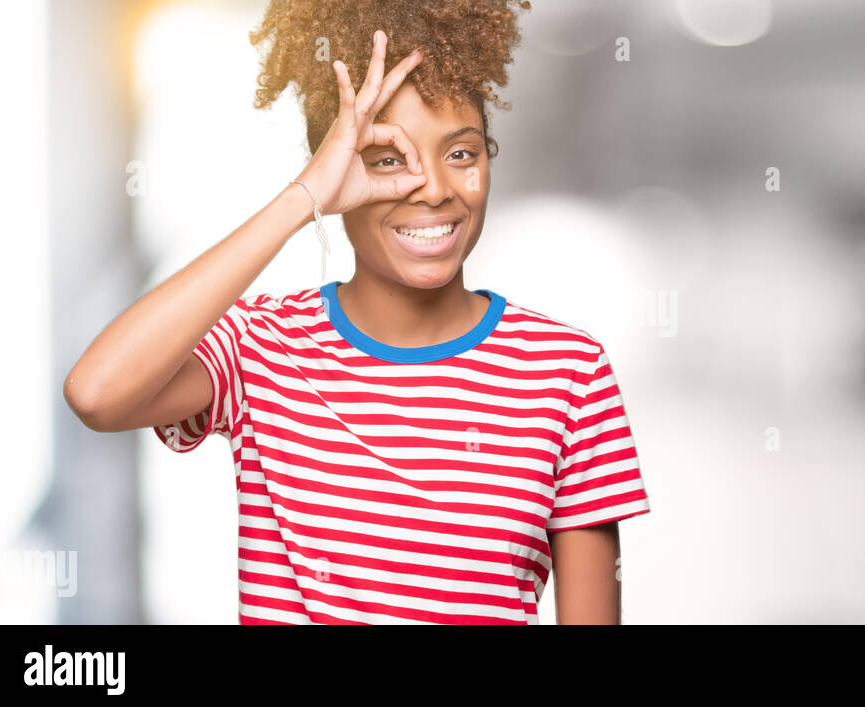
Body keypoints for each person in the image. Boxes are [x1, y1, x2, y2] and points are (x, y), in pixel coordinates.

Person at [62, 0, 650, 625]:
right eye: (388, 160)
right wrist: (302, 199)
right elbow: (98, 394)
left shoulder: (568, 370)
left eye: (461, 153)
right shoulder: (263, 348)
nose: (433, 188)